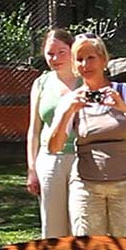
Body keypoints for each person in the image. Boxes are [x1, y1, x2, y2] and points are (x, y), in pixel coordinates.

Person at [48, 33, 126, 237]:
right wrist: (67, 113)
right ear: (73, 64)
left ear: (103, 60)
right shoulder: (71, 100)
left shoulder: (125, 91)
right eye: (79, 59)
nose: (85, 64)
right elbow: (53, 147)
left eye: (91, 57)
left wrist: (125, 108)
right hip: (87, 186)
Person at [25, 29, 77, 238]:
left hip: (81, 157)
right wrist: (32, 169)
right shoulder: (41, 83)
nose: (55, 58)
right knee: (53, 226)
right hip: (49, 160)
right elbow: (34, 130)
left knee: (80, 221)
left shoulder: (86, 79)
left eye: (61, 52)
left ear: (73, 50)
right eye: (50, 53)